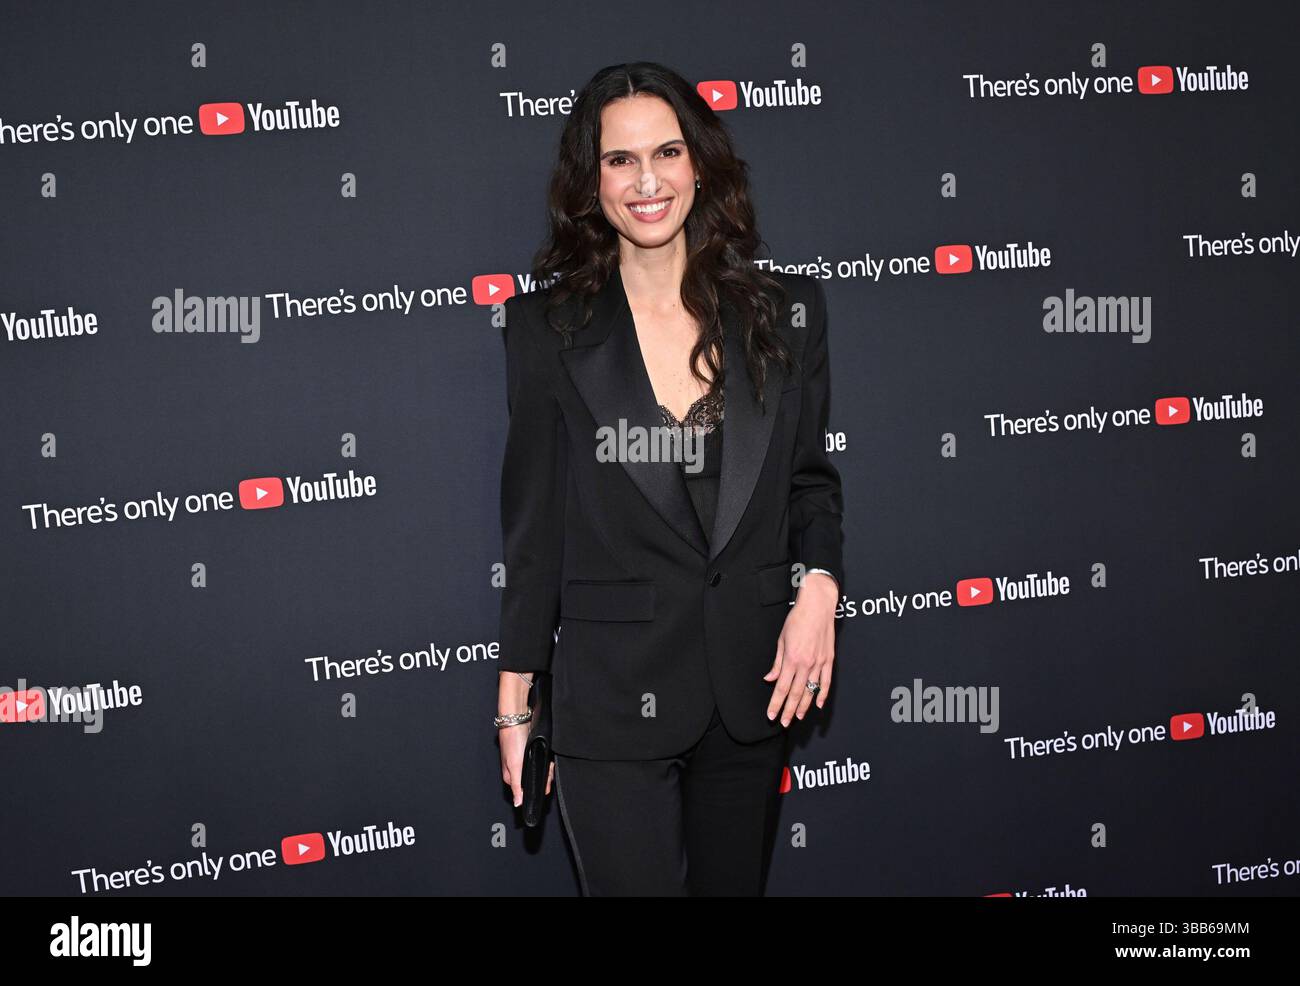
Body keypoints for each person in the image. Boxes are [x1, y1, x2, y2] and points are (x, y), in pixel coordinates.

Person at [495, 61, 846, 896]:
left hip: (751, 687)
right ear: (591, 179)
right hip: (613, 698)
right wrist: (516, 703)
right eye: (621, 160)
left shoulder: (785, 314)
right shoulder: (546, 330)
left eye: (668, 153)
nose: (648, 181)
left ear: (701, 164)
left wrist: (820, 587)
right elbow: (534, 527)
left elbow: (810, 483)